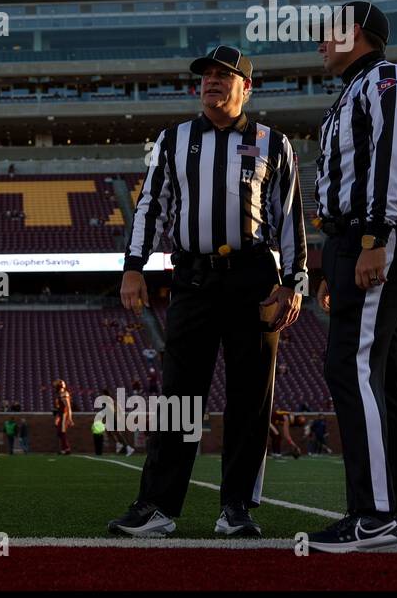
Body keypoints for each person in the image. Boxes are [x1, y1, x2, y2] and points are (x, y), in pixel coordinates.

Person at [111, 45, 307, 540]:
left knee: (250, 398)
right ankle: (156, 506)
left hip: (253, 277)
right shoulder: (172, 139)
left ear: (247, 87)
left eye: (225, 75)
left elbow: (289, 218)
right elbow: (150, 206)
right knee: (179, 395)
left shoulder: (273, 143)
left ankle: (237, 507)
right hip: (193, 278)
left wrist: (293, 283)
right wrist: (134, 267)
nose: (213, 82)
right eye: (207, 76)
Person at [310, 2, 397, 553]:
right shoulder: (355, 90)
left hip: (376, 235)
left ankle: (375, 514)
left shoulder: (388, 78)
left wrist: (371, 240)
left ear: (354, 33)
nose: (319, 44)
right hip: (355, 238)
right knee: (382, 376)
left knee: (351, 365)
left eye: (327, 34)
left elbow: (389, 157)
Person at [52, 379, 74, 455]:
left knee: (62, 432)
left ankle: (66, 449)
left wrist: (70, 418)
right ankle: (64, 448)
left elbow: (68, 407)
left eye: (56, 386)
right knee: (59, 432)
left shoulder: (63, 393)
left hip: (64, 414)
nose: (55, 388)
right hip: (61, 414)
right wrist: (57, 417)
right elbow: (59, 407)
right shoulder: (59, 394)